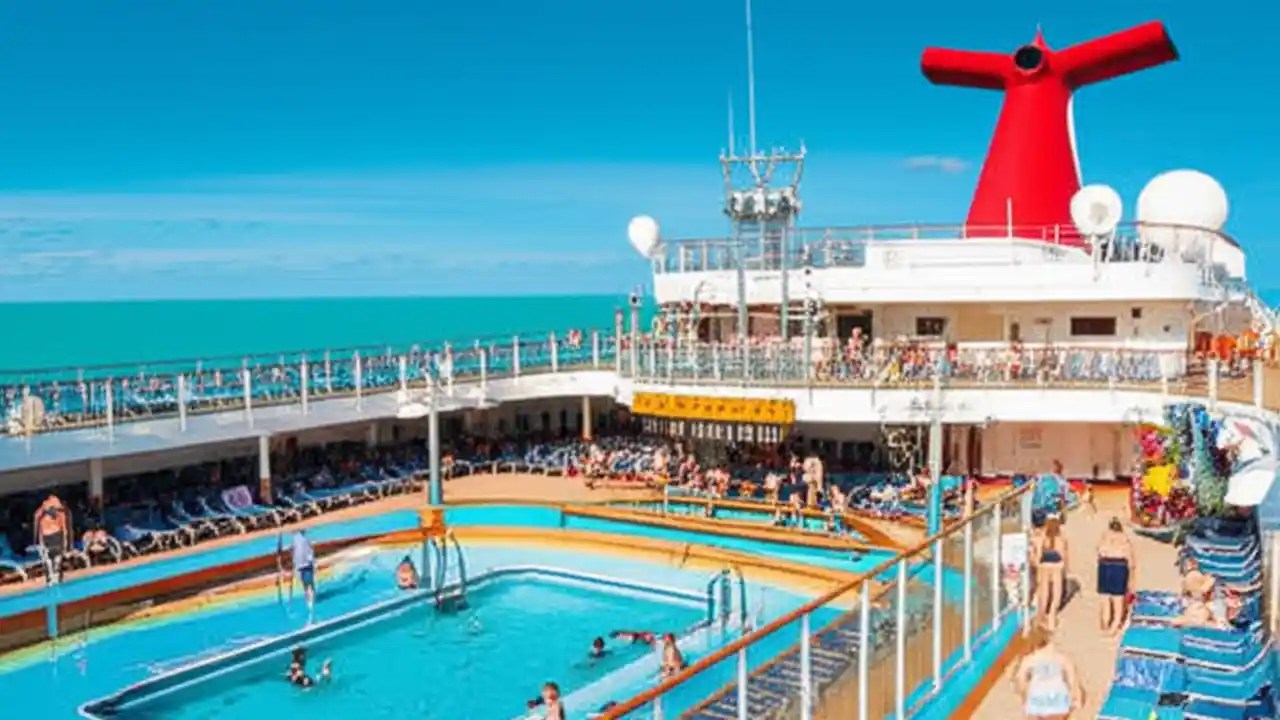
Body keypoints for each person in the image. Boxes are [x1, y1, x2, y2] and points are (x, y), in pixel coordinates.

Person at [1012, 625, 1082, 719]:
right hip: (1059, 704)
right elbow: (1073, 681)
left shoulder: (1029, 660)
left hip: (1038, 705)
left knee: (1030, 689)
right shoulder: (1061, 657)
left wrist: (1025, 698)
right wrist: (1076, 700)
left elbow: (1020, 683)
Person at [1096, 517, 1135, 636]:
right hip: (1119, 565)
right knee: (1117, 598)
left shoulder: (1105, 536)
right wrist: (1131, 579)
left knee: (1105, 598)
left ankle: (1105, 623)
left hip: (1105, 564)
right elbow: (1131, 561)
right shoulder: (1124, 538)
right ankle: (1114, 626)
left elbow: (1099, 552)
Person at [1031, 516, 1068, 631]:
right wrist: (1065, 569)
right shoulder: (1060, 539)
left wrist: (1036, 567)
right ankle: (1052, 616)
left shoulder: (1043, 538)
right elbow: (1063, 556)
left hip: (1044, 565)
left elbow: (1038, 557)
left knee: (1044, 592)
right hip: (1057, 566)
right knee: (1056, 594)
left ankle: (1041, 616)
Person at [33, 494, 70, 584]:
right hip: (49, 538)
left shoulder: (60, 513)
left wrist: (65, 544)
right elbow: (39, 530)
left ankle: (55, 578)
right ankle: (51, 578)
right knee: (49, 562)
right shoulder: (41, 514)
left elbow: (64, 530)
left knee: (56, 561)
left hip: (55, 537)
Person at [291, 529, 316, 609]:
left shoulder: (297, 540)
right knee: (309, 583)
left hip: (303, 564)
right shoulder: (304, 540)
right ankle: (310, 599)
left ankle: (309, 599)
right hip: (305, 564)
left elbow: (296, 552)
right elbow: (309, 552)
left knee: (306, 584)